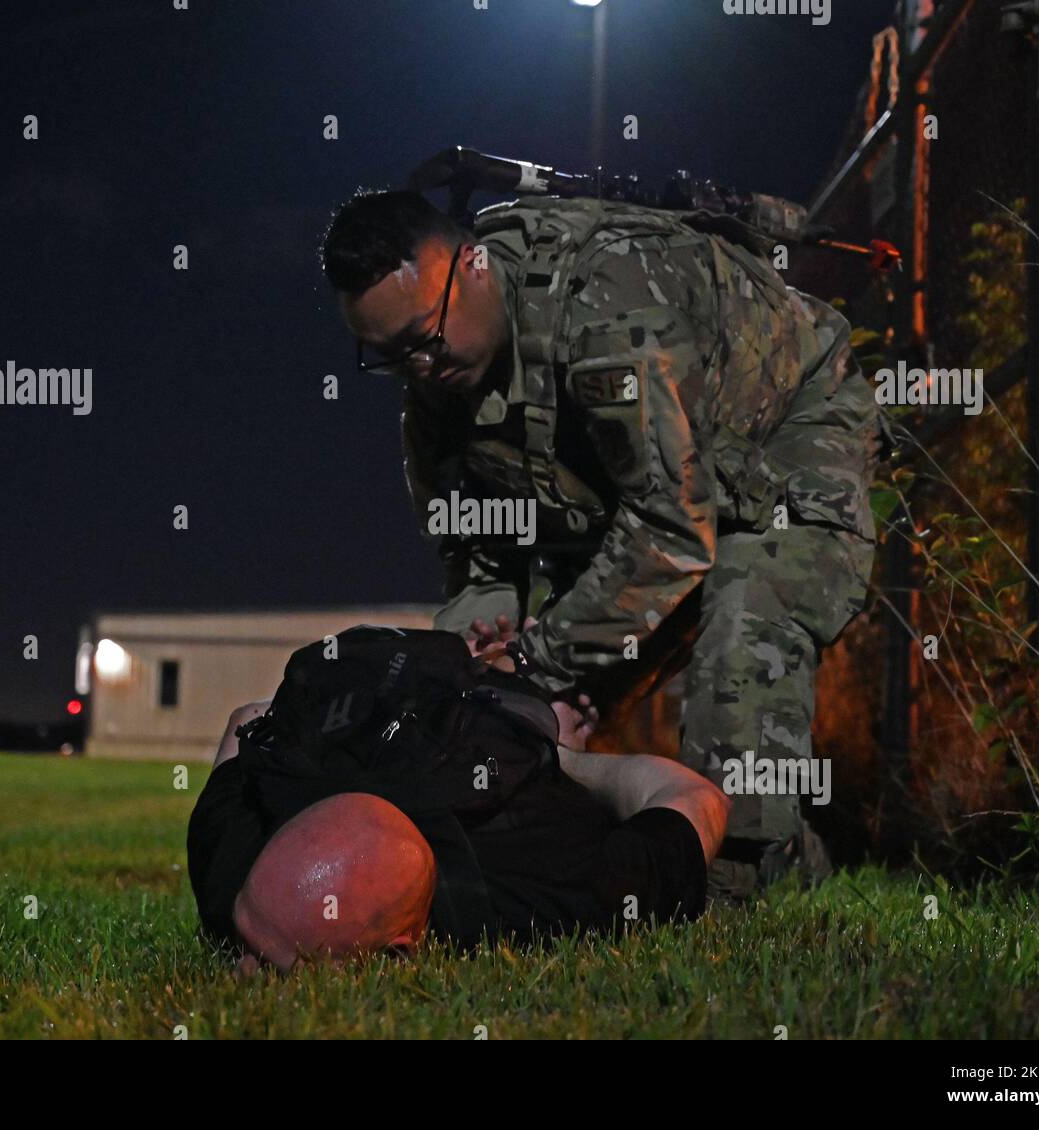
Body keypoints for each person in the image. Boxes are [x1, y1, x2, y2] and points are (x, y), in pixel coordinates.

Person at [320, 189, 890, 897]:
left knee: (746, 622)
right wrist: (482, 654)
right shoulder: (435, 395)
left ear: (473, 264)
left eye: (424, 339)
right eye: (390, 356)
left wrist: (535, 658)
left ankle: (747, 877)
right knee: (533, 710)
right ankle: (554, 849)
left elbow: (672, 530)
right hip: (660, 498)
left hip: (788, 431)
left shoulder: (608, 305)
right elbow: (476, 562)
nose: (419, 370)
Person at [187, 694, 730, 976]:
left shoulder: (549, 887)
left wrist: (565, 763)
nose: (239, 971)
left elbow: (706, 800)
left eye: (276, 969)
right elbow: (253, 718)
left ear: (398, 956)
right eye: (248, 938)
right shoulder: (231, 873)